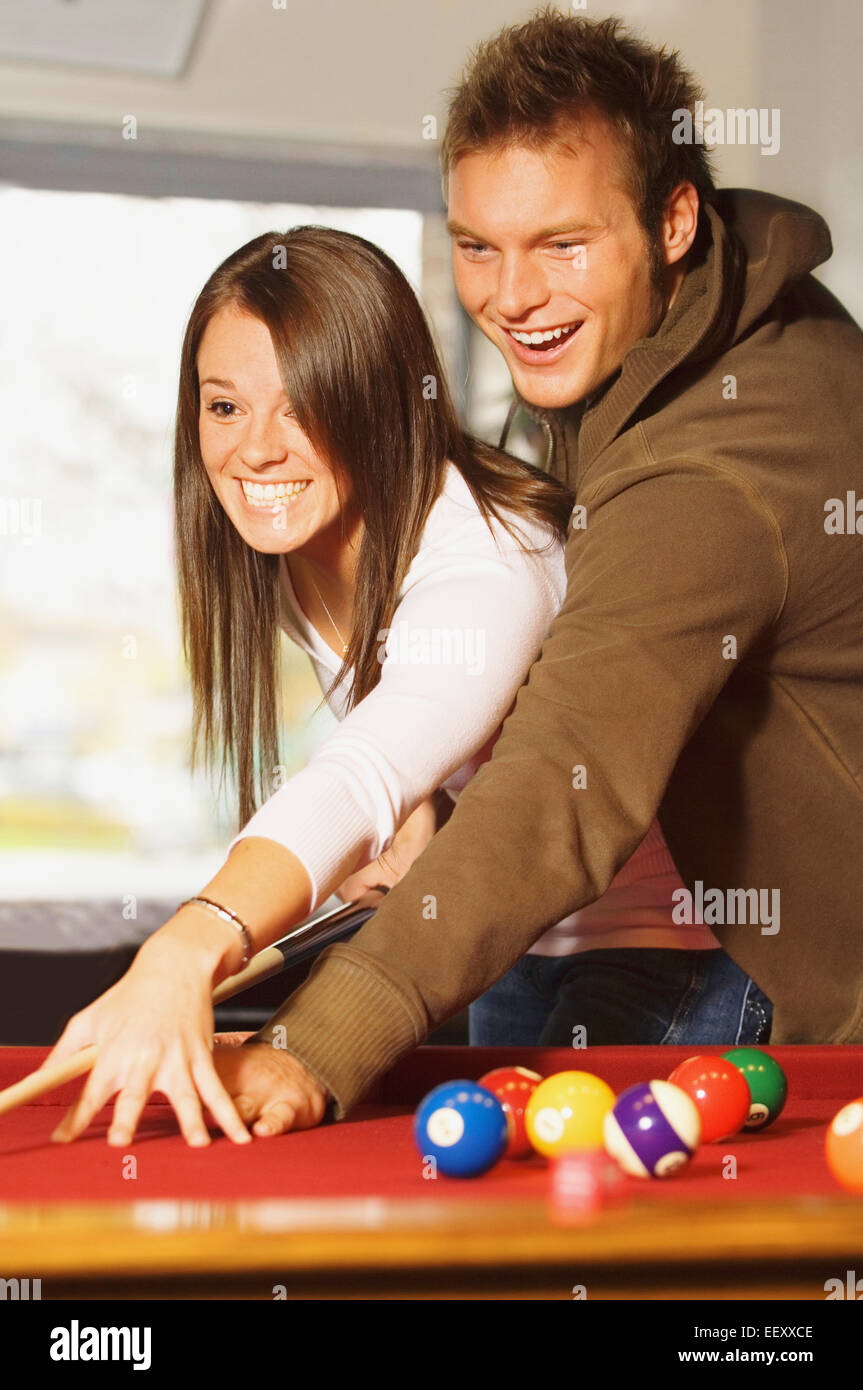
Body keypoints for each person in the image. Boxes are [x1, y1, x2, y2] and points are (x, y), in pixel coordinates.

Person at [202, 9, 860, 1130]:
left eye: (560, 243)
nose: (510, 297)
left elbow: (572, 775)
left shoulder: (716, 464)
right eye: (475, 246)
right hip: (600, 937)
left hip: (777, 989)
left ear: (671, 220)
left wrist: (314, 1041)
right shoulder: (625, 341)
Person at [47, 222, 716, 1147]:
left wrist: (189, 945)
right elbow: (430, 756)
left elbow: (365, 766)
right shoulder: (290, 556)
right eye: (225, 407)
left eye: (304, 405)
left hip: (669, 955)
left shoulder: (493, 557)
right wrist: (420, 825)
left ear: (383, 403)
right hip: (503, 947)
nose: (256, 451)